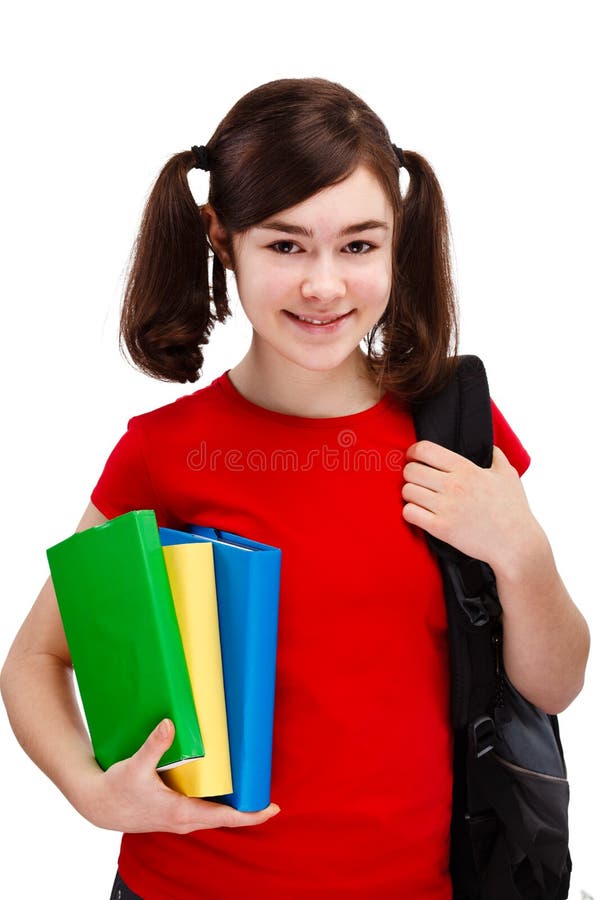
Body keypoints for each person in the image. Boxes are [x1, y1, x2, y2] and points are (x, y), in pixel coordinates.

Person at [1, 76, 590, 900]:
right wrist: (92, 791)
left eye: (358, 245)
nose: (324, 285)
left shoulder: (455, 430)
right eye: (285, 246)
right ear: (222, 237)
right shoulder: (161, 453)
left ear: (398, 242)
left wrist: (523, 555)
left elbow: (555, 685)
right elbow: (34, 657)